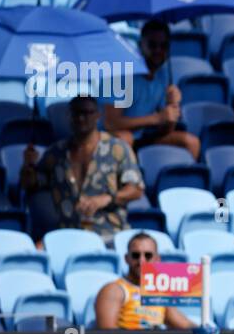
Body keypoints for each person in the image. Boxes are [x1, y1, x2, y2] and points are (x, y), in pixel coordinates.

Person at [20, 95, 145, 243]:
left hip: (110, 235)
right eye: (77, 113)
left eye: (87, 113)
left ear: (97, 115)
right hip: (69, 235)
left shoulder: (117, 148)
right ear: (69, 116)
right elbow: (31, 184)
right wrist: (28, 164)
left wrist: (107, 198)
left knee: (162, 265)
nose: (81, 118)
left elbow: (136, 189)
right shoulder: (56, 153)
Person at [104, 19, 200, 159]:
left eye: (163, 46)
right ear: (140, 45)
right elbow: (111, 123)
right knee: (126, 138)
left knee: (191, 142)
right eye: (152, 45)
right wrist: (156, 118)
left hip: (146, 136)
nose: (158, 51)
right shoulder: (120, 72)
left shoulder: (164, 73)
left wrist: (171, 108)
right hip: (114, 137)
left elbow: (164, 130)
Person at [94, 232, 194, 330]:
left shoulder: (160, 292)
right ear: (126, 258)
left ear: (157, 259)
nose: (141, 260)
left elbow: (183, 324)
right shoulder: (114, 290)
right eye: (136, 255)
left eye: (148, 255)